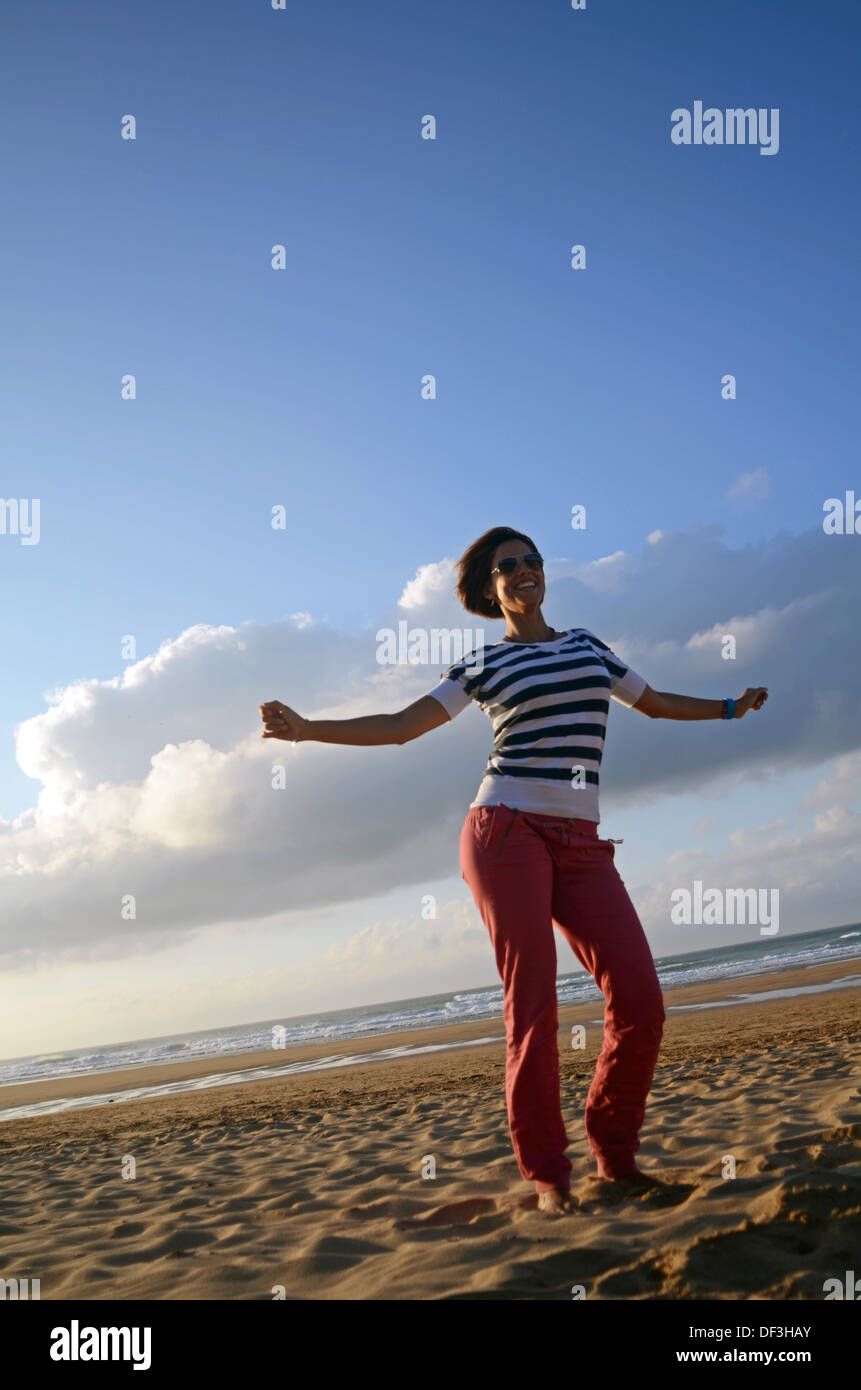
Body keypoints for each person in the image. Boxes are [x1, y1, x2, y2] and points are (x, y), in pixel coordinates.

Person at [260, 526, 768, 1216]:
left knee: (641, 998)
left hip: (580, 839)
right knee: (533, 1003)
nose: (525, 571)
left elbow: (651, 701)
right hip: (504, 831)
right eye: (508, 566)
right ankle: (548, 1178)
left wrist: (729, 708)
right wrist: (308, 728)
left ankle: (614, 1157)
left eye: (532, 560)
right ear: (488, 589)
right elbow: (402, 725)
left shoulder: (586, 644)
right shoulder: (481, 665)